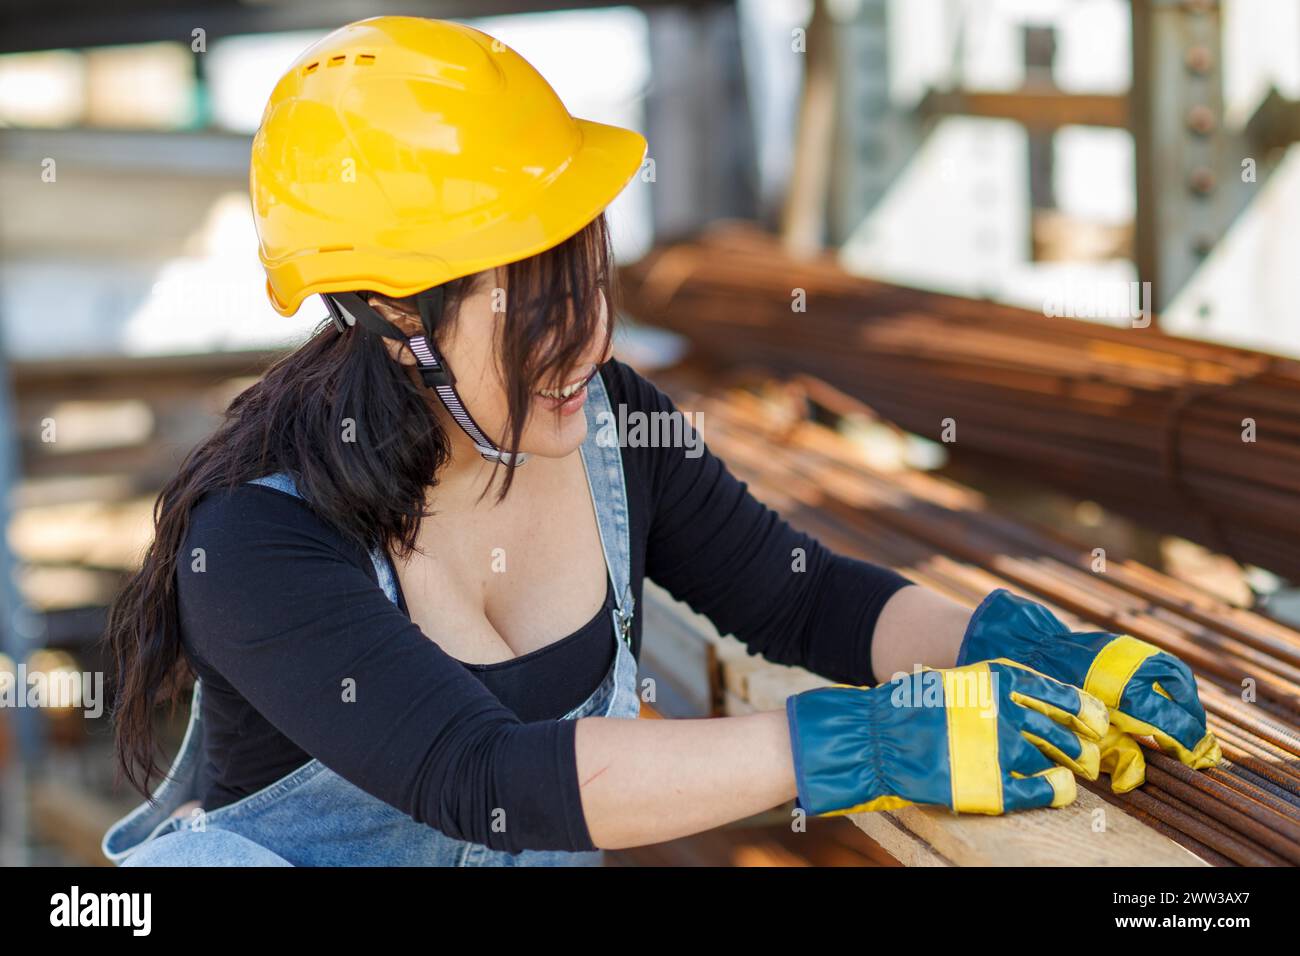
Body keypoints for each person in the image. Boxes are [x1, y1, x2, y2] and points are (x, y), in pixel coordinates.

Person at [100, 16, 1219, 867]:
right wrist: (854, 743)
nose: (583, 335)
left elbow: (803, 597)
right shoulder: (255, 541)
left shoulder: (606, 426)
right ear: (397, 321)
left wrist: (1015, 642)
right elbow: (479, 773)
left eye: (588, 275)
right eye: (529, 302)